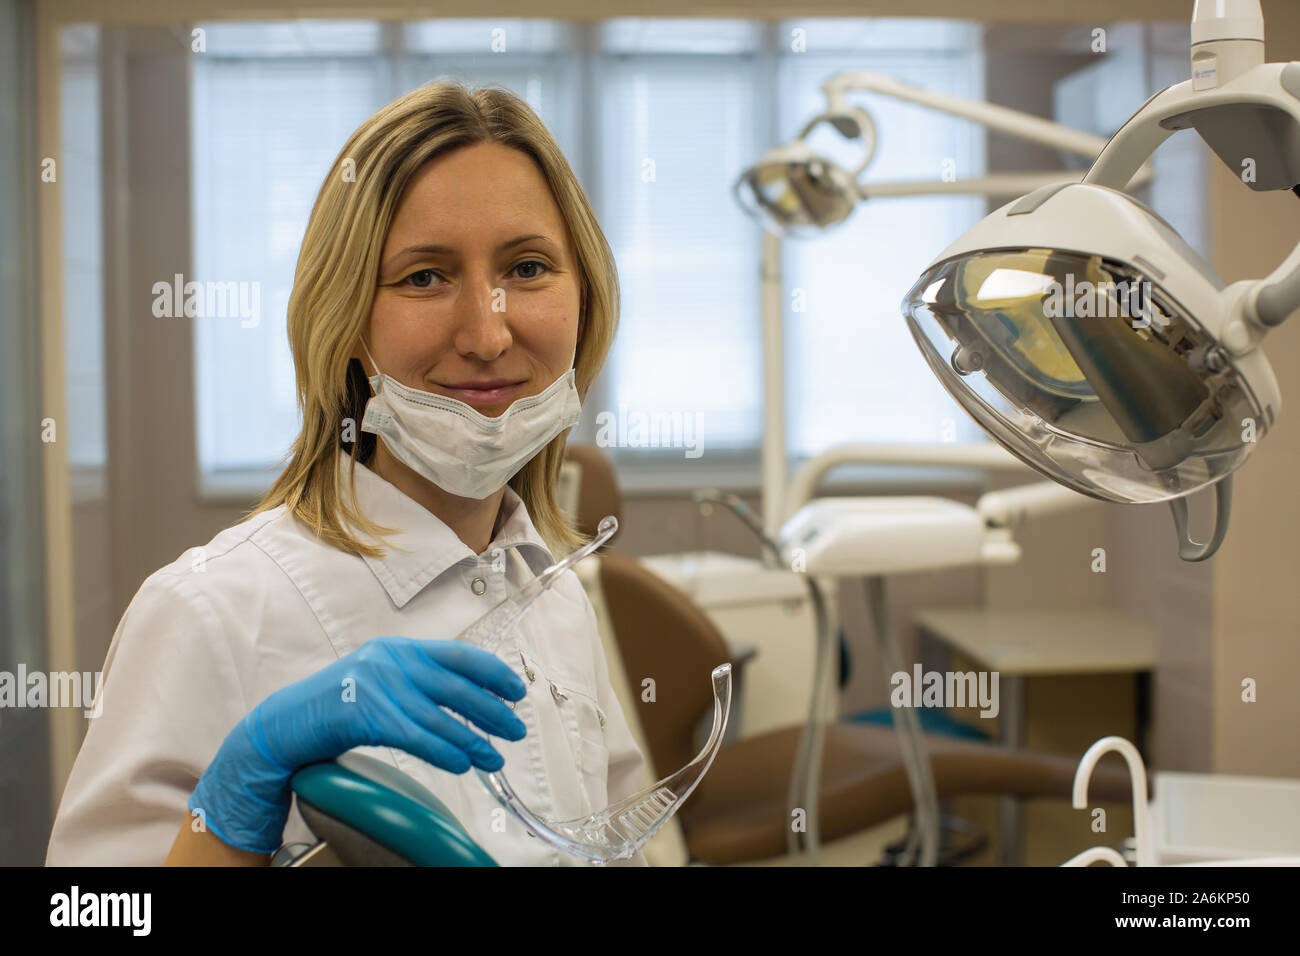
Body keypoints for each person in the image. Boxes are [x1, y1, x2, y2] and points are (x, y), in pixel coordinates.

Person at [45, 80, 645, 866]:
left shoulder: (556, 596)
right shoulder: (209, 612)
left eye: (528, 268)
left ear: (585, 299)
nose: (487, 331)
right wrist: (233, 803)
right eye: (424, 277)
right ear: (347, 320)